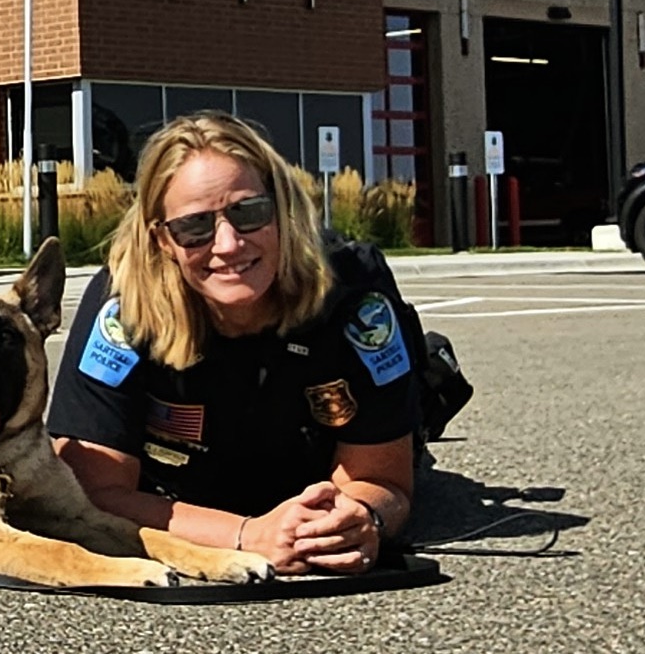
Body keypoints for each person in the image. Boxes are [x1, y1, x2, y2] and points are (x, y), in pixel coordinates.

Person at [47, 112, 423, 576]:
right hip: (181, 501)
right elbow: (93, 492)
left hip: (314, 487)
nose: (228, 244)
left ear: (281, 209)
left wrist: (362, 518)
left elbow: (382, 480)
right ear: (162, 239)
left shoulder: (354, 293)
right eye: (194, 227)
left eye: (249, 213)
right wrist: (246, 536)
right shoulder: (123, 305)